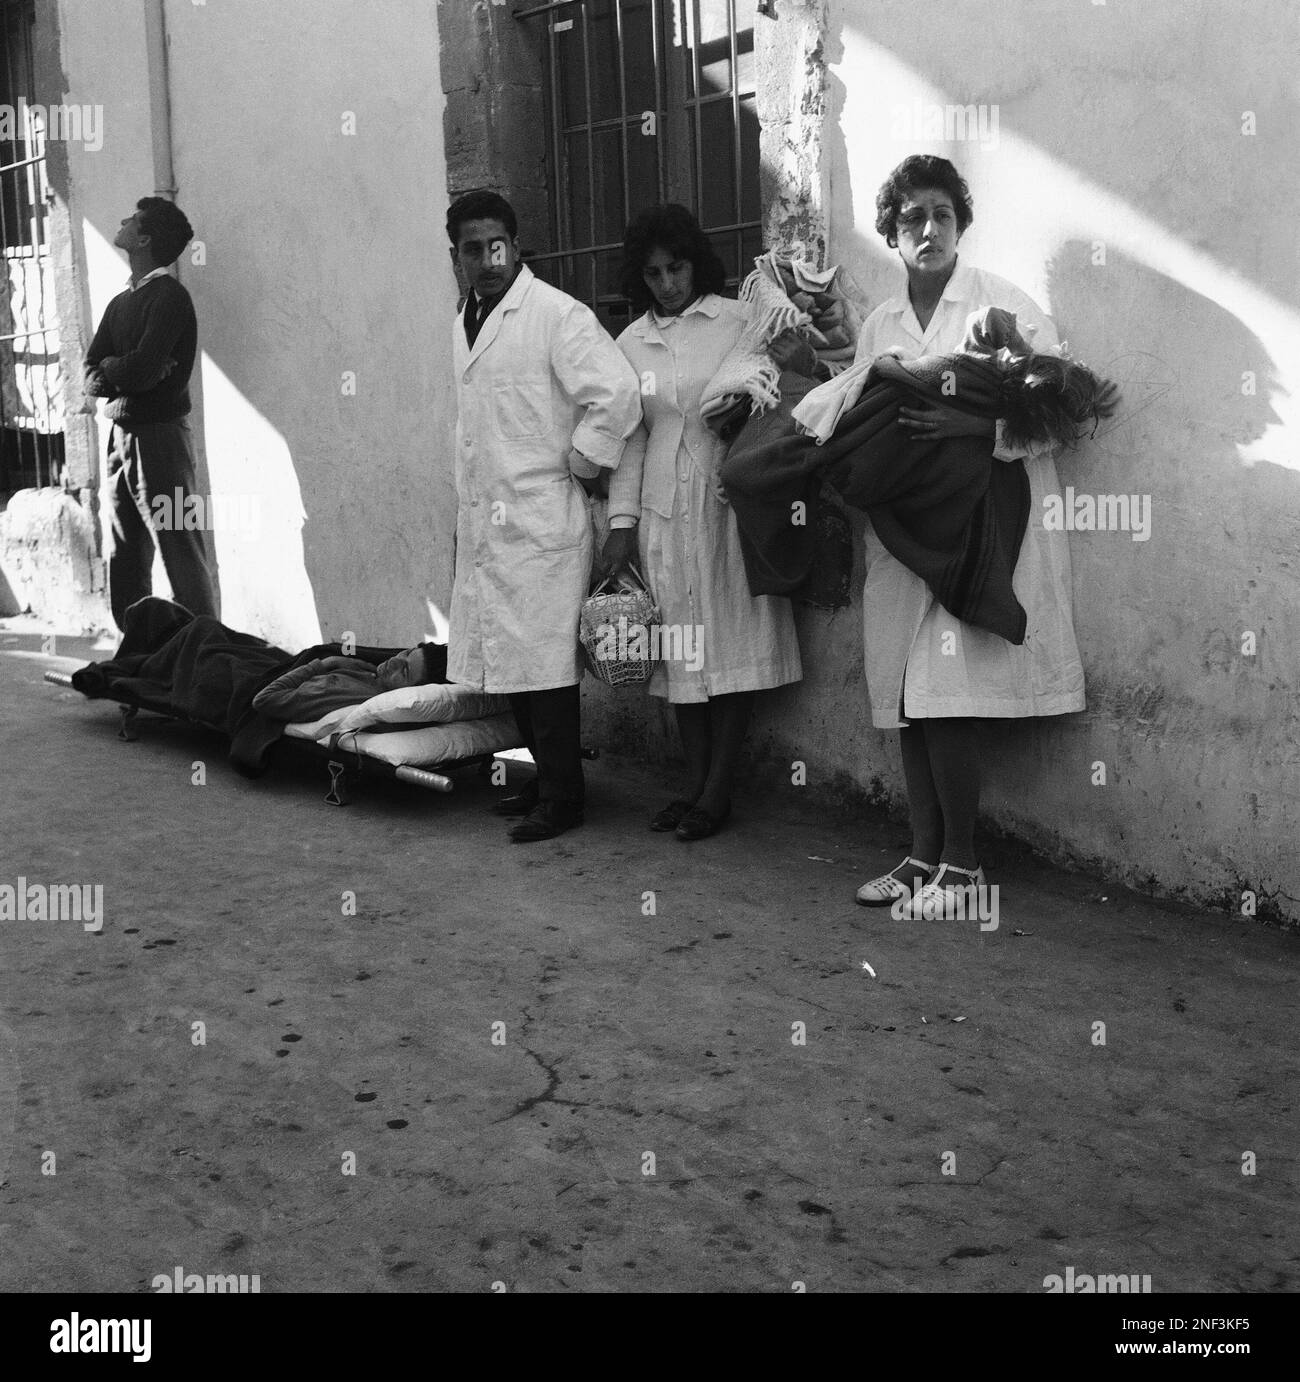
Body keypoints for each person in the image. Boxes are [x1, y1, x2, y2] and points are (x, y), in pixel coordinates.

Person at [839, 155, 1085, 917]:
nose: (929, 229)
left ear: (960, 225)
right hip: (903, 534)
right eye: (912, 217)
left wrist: (973, 426)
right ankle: (920, 855)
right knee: (910, 695)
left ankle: (965, 869)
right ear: (891, 233)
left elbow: (1063, 410)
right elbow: (857, 412)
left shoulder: (999, 304)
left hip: (978, 526)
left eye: (943, 214)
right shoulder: (881, 323)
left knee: (947, 694)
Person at [445, 190, 642, 842]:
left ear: (517, 245)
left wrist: (584, 464)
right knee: (512, 669)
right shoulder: (465, 320)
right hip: (489, 525)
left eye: (497, 245)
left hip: (540, 522)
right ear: (458, 256)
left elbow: (615, 395)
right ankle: (546, 780)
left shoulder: (557, 316)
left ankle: (564, 800)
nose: (488, 258)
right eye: (473, 248)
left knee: (547, 673)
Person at [601, 204, 802, 841]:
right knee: (679, 652)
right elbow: (631, 438)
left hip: (725, 501)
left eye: (678, 266)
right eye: (654, 272)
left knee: (730, 640)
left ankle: (718, 792)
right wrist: (621, 522)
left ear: (696, 262)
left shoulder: (738, 321)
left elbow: (790, 380)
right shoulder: (629, 344)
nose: (668, 282)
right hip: (662, 510)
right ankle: (691, 784)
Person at [84, 197, 217, 631]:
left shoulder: (170, 298)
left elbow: (139, 371)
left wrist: (117, 369)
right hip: (119, 437)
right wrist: (119, 369)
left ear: (143, 239)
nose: (122, 221)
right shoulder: (121, 302)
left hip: (160, 438)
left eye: (132, 220)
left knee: (179, 547)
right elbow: (91, 373)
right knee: (124, 551)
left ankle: (206, 658)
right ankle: (136, 661)